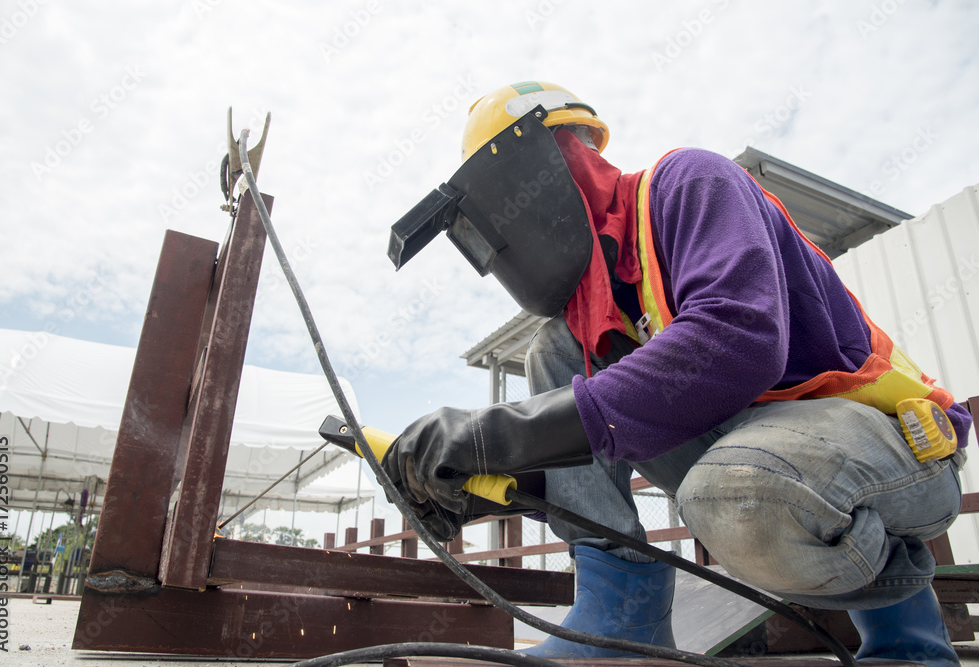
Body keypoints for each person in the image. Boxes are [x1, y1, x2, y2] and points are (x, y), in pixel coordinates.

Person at [383, 81, 970, 665]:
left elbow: (739, 339)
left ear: (549, 160)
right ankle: (624, 620)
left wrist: (500, 432)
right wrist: (495, 479)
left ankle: (906, 638)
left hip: (898, 448)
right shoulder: (590, 316)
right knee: (555, 352)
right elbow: (593, 458)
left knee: (732, 493)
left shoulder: (690, 184)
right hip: (781, 457)